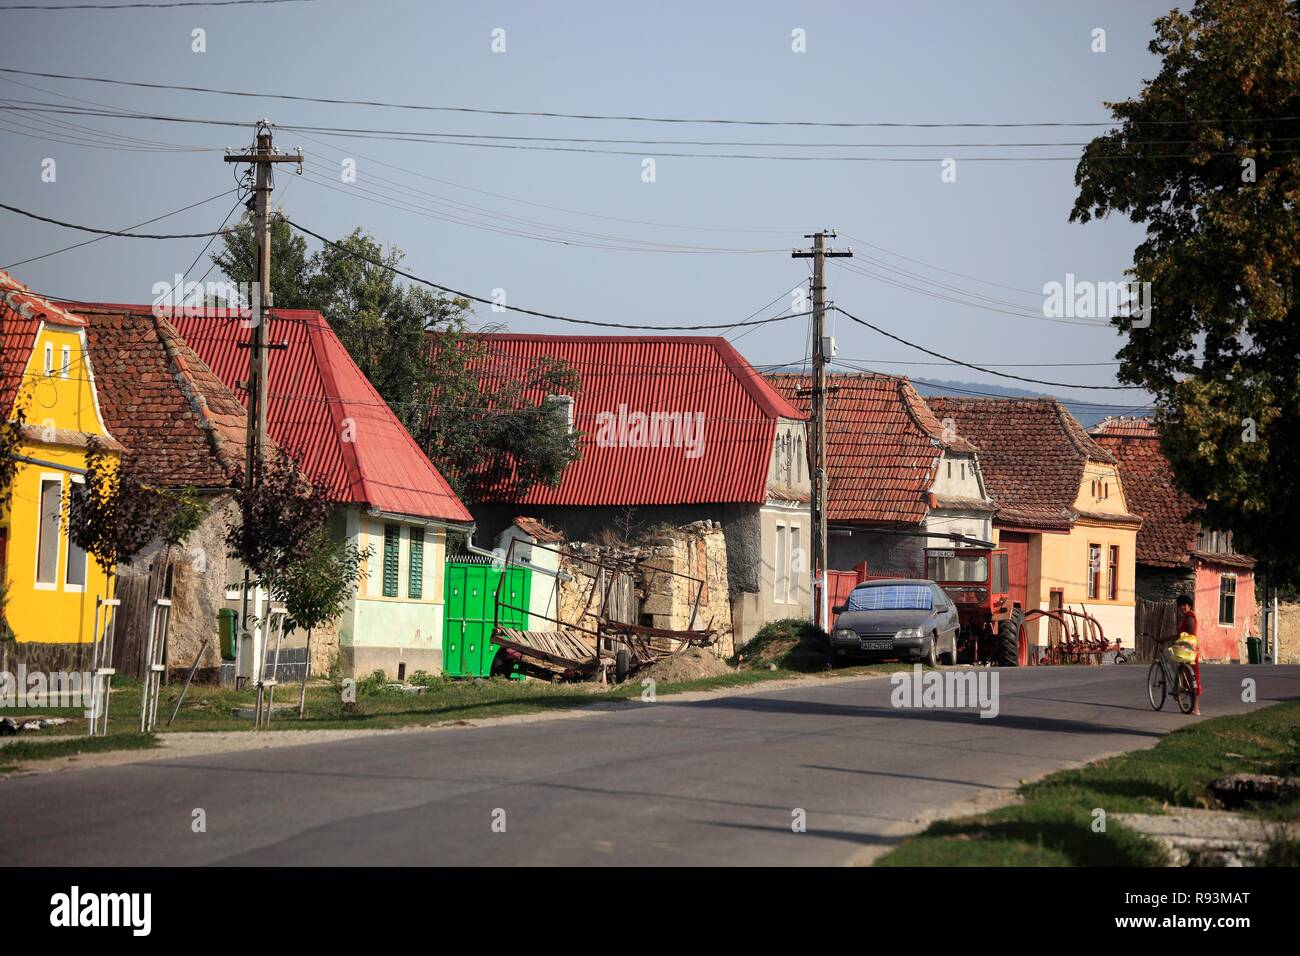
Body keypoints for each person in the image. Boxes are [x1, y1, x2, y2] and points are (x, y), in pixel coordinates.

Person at [1175, 593, 1201, 715]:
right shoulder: (1184, 617)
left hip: (1190, 651)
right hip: (1184, 650)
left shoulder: (1190, 616)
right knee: (1187, 679)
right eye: (1180, 605)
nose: (1182, 607)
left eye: (1185, 605)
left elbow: (1189, 632)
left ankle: (1196, 707)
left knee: (1193, 678)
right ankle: (1190, 706)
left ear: (1189, 606)